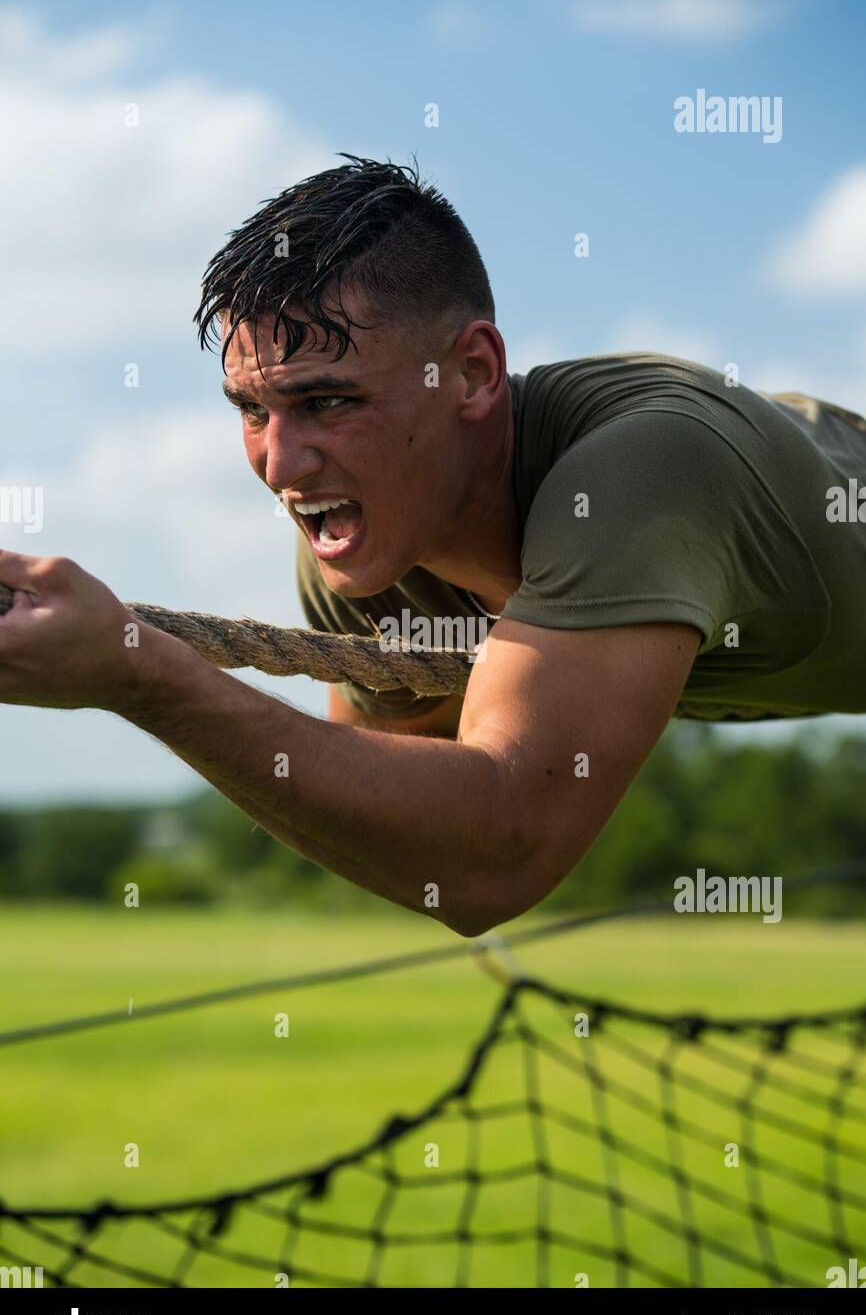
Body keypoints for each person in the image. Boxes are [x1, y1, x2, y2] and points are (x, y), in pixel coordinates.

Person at [2, 156, 865, 935]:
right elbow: (396, 805)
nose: (280, 465)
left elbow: (494, 854)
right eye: (252, 411)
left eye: (329, 402)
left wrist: (142, 678)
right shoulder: (366, 542)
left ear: (475, 374)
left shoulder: (647, 469)